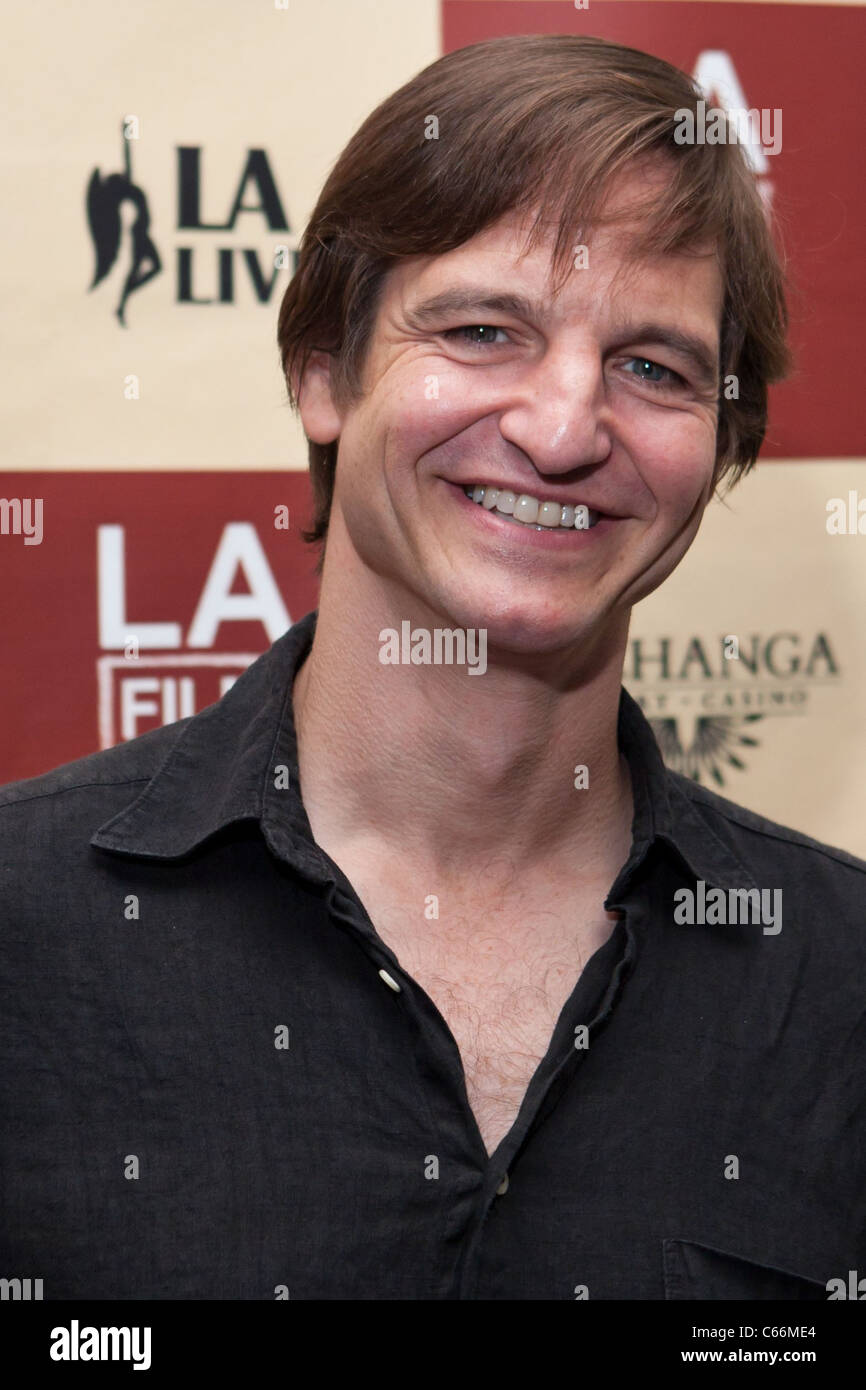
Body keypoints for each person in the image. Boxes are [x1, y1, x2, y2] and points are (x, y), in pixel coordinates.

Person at [1, 34, 863, 1302]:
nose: (564, 427)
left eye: (651, 367)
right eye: (480, 328)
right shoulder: (23, 931)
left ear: (719, 447)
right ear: (319, 372)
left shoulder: (837, 976)